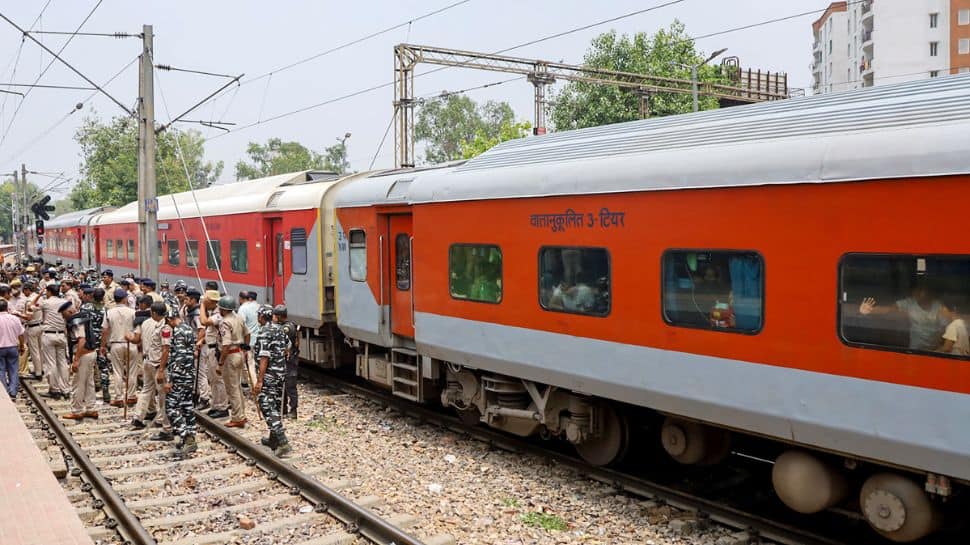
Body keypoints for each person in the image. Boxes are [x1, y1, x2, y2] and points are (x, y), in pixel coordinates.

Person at [128, 302, 173, 439]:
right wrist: (161, 370)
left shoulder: (145, 323)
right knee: (163, 396)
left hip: (147, 361)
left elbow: (138, 340)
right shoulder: (165, 328)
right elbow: (165, 350)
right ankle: (165, 425)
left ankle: (138, 417)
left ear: (153, 313)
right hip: (158, 364)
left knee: (146, 390)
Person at [859, 283, 948, 351]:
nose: (917, 293)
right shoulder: (909, 303)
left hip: (935, 349)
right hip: (916, 349)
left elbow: (947, 324)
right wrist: (871, 310)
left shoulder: (938, 305)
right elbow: (889, 310)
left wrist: (942, 347)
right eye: (915, 291)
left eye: (921, 290)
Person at [158, 306, 198, 457]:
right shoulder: (188, 329)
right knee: (187, 406)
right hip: (189, 375)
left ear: (169, 319)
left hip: (180, 376)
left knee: (171, 408)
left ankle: (187, 437)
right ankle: (191, 436)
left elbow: (180, 358)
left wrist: (170, 380)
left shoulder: (179, 332)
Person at [253, 305, 292, 456]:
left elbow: (264, 357)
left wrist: (260, 380)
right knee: (275, 404)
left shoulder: (264, 332)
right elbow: (288, 346)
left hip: (269, 375)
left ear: (263, 316)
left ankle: (283, 442)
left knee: (267, 406)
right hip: (280, 374)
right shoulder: (279, 330)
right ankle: (273, 439)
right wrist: (280, 358)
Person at [101, 288, 139, 406]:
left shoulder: (109, 312)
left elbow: (105, 330)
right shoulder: (133, 312)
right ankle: (131, 396)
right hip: (131, 343)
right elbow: (137, 328)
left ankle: (118, 397)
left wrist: (103, 346)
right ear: (124, 299)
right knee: (132, 371)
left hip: (116, 343)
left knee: (117, 372)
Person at [217, 295, 249, 428]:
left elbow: (226, 345)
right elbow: (248, 334)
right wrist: (246, 349)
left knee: (232, 388)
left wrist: (220, 363)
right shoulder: (239, 318)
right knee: (238, 386)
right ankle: (242, 414)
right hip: (240, 353)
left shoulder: (225, 322)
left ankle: (237, 417)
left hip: (230, 355)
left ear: (223, 309)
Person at [61, 303, 98, 420]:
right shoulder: (83, 317)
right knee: (89, 382)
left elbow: (81, 340)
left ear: (69, 312)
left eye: (63, 314)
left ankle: (76, 411)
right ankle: (90, 409)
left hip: (83, 355)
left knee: (78, 383)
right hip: (91, 353)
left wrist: (76, 360)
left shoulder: (76, 322)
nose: (63, 317)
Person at [35, 284, 69, 399]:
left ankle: (54, 389)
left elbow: (31, 306)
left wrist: (39, 294)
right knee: (62, 363)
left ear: (49, 291)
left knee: (51, 363)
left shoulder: (45, 302)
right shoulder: (64, 302)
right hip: (61, 335)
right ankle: (65, 389)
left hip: (49, 335)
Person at [199, 290, 228, 418]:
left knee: (218, 379)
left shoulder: (218, 314)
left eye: (206, 300)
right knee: (212, 379)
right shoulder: (213, 312)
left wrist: (202, 306)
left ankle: (222, 407)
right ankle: (216, 404)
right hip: (210, 348)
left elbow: (204, 322)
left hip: (216, 350)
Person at [79, 287, 111, 403]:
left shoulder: (85, 307)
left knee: (86, 367)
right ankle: (106, 391)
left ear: (92, 295)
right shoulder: (106, 310)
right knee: (103, 367)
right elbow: (107, 328)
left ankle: (84, 394)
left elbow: (80, 323)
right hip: (101, 340)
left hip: (88, 339)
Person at [181, 288, 208, 409]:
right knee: (194, 371)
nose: (185, 300)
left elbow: (201, 330)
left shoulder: (197, 313)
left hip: (199, 345)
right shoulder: (189, 310)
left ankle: (204, 397)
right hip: (193, 344)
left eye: (187, 298)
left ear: (193, 300)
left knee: (200, 372)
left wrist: (197, 346)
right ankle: (195, 393)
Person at [274, 305, 300, 419]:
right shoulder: (286, 325)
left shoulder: (287, 328)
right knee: (281, 385)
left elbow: (283, 344)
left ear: (280, 316)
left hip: (289, 361)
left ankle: (293, 411)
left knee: (290, 386)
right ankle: (283, 409)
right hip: (284, 360)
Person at [0, 299, 25, 399]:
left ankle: (4, 392)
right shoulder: (14, 319)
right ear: (7, 308)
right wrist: (22, 346)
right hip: (12, 347)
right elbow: (21, 334)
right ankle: (13, 392)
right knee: (13, 370)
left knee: (1, 370)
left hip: (0, 348)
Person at [20, 282, 43, 380]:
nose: (23, 293)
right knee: (41, 350)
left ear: (27, 290)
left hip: (32, 327)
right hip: (41, 325)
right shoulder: (41, 298)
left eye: (24, 290)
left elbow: (28, 317)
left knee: (34, 351)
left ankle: (38, 373)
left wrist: (18, 314)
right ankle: (41, 369)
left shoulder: (29, 301)